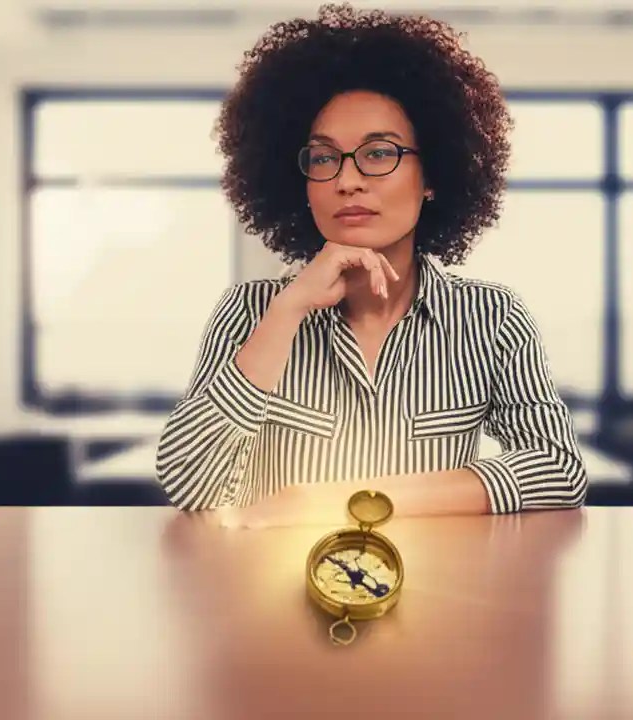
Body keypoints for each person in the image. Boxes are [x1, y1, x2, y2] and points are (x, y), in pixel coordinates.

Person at [157, 3, 587, 528]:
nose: (348, 180)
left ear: (433, 177)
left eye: (379, 153)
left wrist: (352, 501)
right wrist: (287, 310)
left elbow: (560, 470)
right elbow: (187, 480)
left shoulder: (492, 318)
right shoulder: (251, 310)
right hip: (280, 599)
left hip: (438, 598)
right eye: (323, 158)